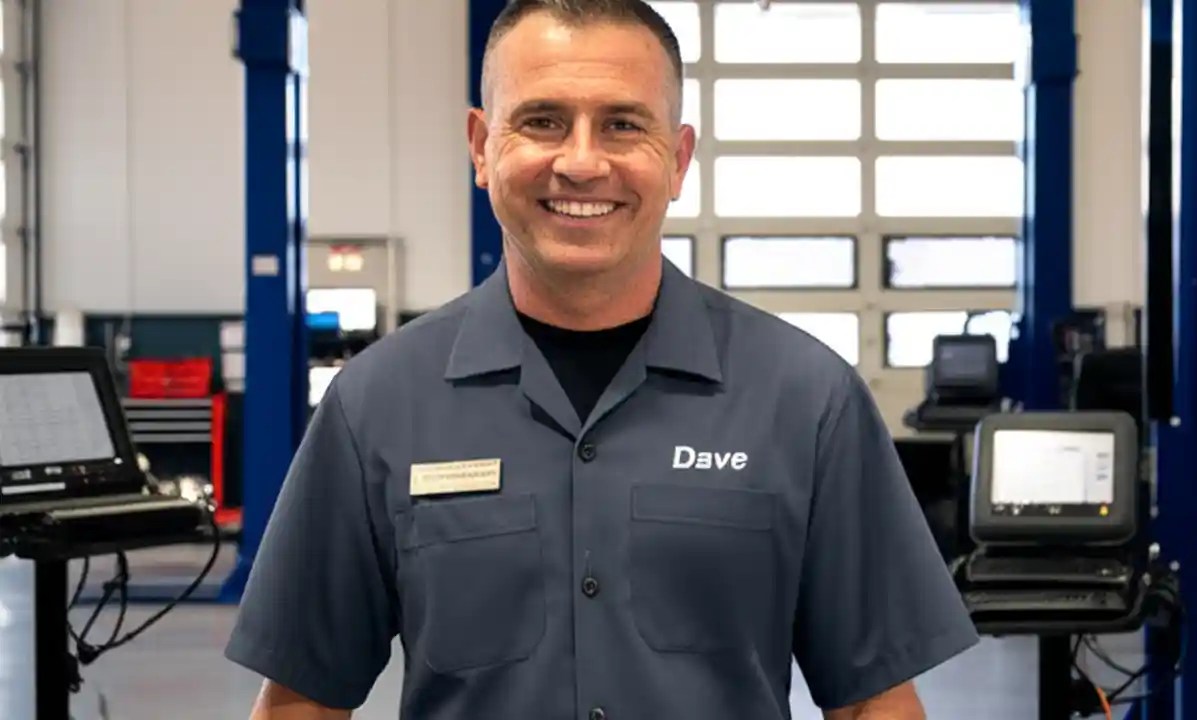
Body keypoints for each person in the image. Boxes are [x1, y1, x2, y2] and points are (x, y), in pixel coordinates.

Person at [224, 1, 980, 718]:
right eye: (542, 121)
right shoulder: (377, 406)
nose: (581, 163)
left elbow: (873, 701)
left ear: (678, 159)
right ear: (481, 147)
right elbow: (302, 700)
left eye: (622, 125)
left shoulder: (807, 400)